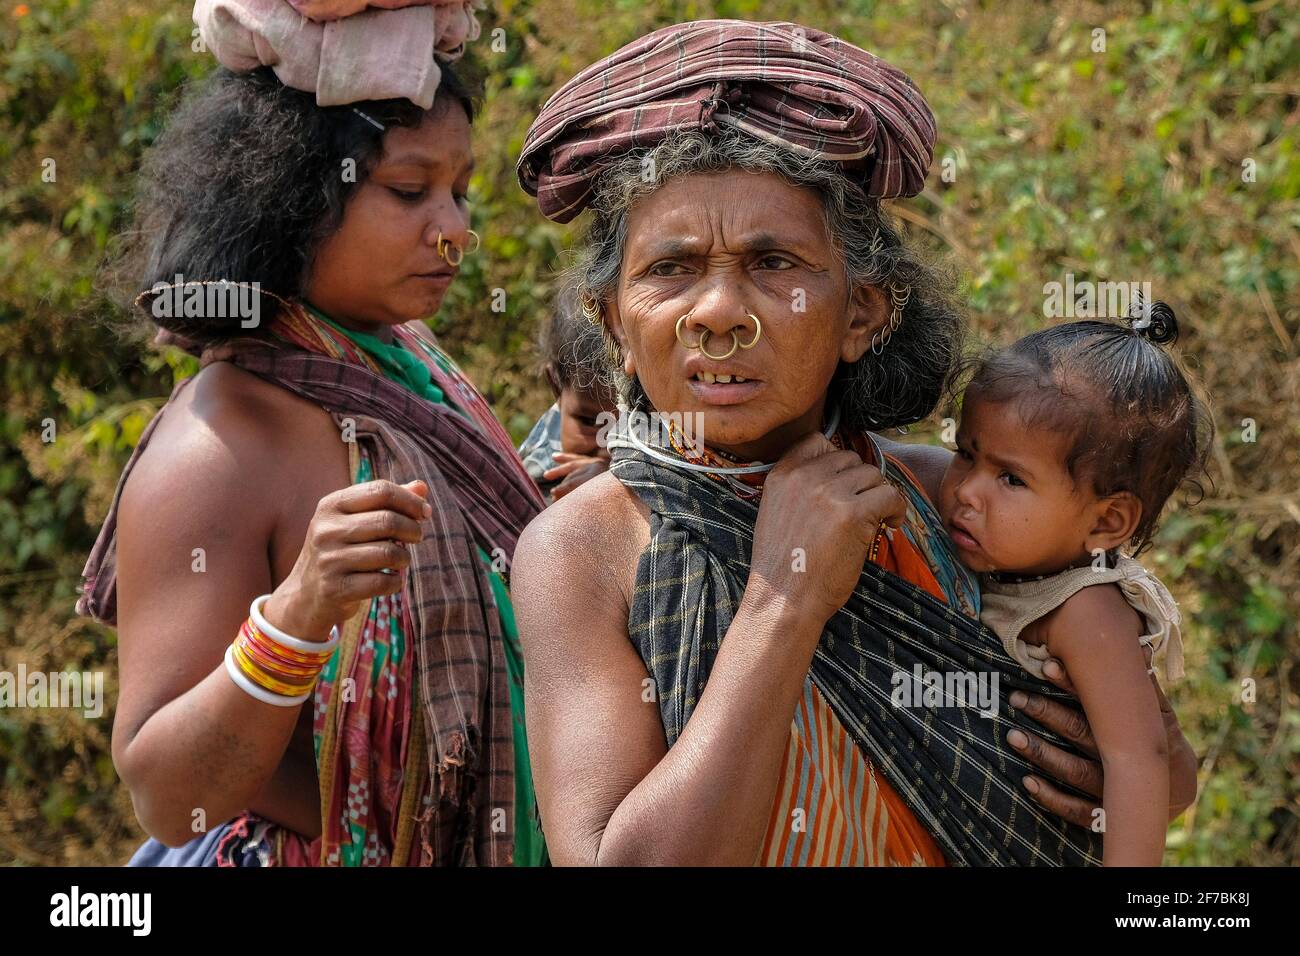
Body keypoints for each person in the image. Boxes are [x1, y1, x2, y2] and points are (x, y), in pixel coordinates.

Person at [509, 19, 1198, 866]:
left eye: (775, 264)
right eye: (671, 269)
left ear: (863, 312)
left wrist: (1133, 759)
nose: (718, 313)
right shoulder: (582, 551)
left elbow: (1153, 764)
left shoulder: (954, 504)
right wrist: (783, 601)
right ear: (613, 322)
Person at [79, 49, 545, 865]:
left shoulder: (409, 367)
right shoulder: (218, 444)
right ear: (293, 195)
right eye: (409, 191)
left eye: (460, 191)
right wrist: (296, 615)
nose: (454, 230)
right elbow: (166, 795)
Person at [937, 299, 1211, 865]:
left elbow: (1139, 761)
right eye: (966, 455)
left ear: (1105, 522)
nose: (966, 489)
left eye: (1010, 478)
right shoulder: (985, 554)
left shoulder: (1086, 608)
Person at [518, 285, 617, 502]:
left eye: (639, 422)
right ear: (555, 385)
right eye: (591, 422)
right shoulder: (540, 475)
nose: (611, 446)